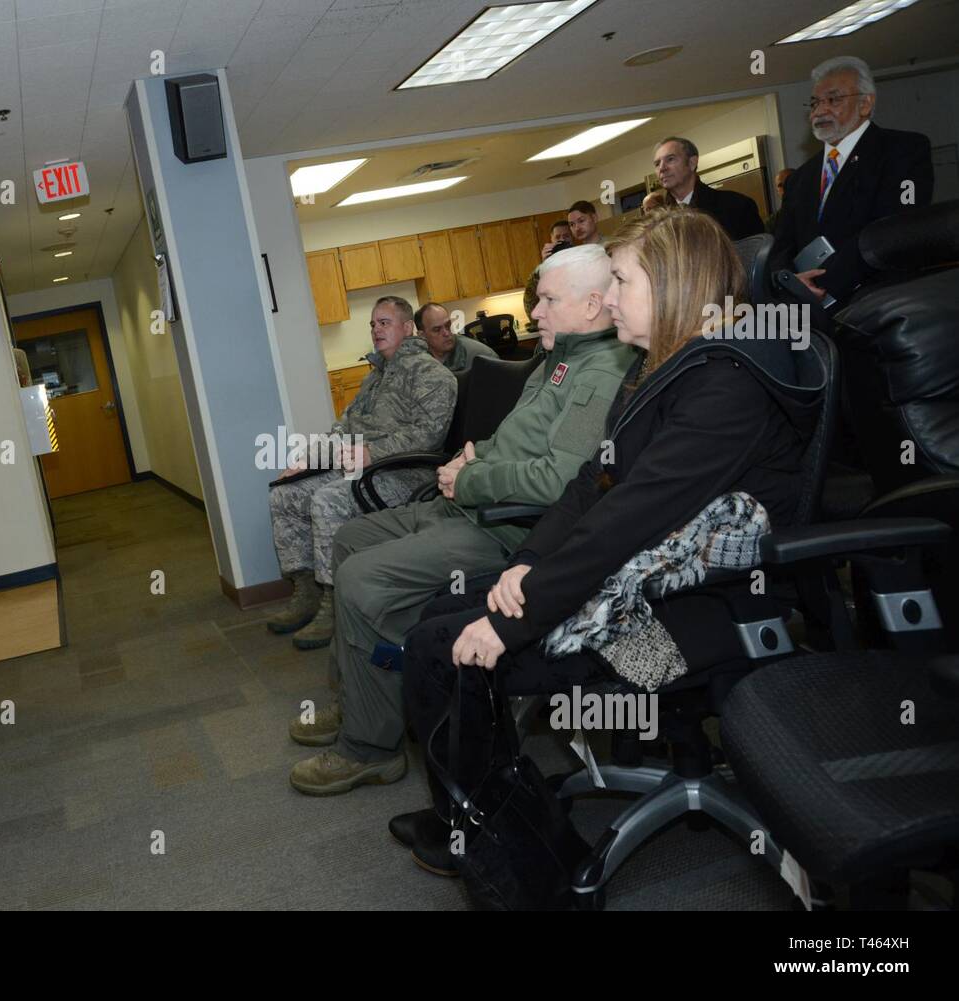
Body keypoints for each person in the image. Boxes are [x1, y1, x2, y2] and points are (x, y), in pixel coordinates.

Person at [395, 208, 824, 874]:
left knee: (441, 647)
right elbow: (591, 488)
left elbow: (626, 517)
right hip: (644, 585)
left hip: (691, 617)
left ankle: (522, 861)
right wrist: (530, 562)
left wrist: (522, 614)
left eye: (621, 281)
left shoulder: (726, 385)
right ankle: (478, 814)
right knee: (437, 618)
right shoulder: (665, 368)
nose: (610, 299)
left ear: (672, 283)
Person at [287, 246, 639, 795]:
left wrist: (471, 480)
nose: (535, 312)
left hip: (505, 531)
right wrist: (467, 458)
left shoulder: (604, 368)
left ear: (593, 305)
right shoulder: (556, 357)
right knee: (350, 536)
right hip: (466, 502)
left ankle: (369, 748)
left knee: (361, 578)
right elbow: (511, 437)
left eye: (547, 300)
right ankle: (361, 701)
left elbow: (556, 482)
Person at [265, 296, 456, 650]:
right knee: (285, 493)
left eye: (384, 322)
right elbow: (344, 427)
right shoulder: (375, 378)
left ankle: (332, 603)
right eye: (372, 324)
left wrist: (372, 452)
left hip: (406, 473)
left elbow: (428, 436)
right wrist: (308, 459)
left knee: (327, 500)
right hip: (364, 468)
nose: (376, 330)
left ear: (407, 327)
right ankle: (305, 589)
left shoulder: (432, 375)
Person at [771, 55, 933, 304]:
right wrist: (791, 281)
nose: (820, 110)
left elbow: (896, 229)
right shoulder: (800, 178)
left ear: (865, 104)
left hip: (881, 303)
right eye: (815, 103)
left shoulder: (903, 150)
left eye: (833, 100)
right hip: (812, 311)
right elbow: (782, 244)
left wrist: (827, 285)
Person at [652, 136, 765, 240]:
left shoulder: (736, 206)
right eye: (657, 164)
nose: (662, 168)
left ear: (692, 163)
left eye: (670, 159)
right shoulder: (656, 222)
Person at [416, 301, 497, 372]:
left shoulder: (483, 357)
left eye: (448, 325)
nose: (446, 333)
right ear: (422, 336)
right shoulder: (417, 362)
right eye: (437, 330)